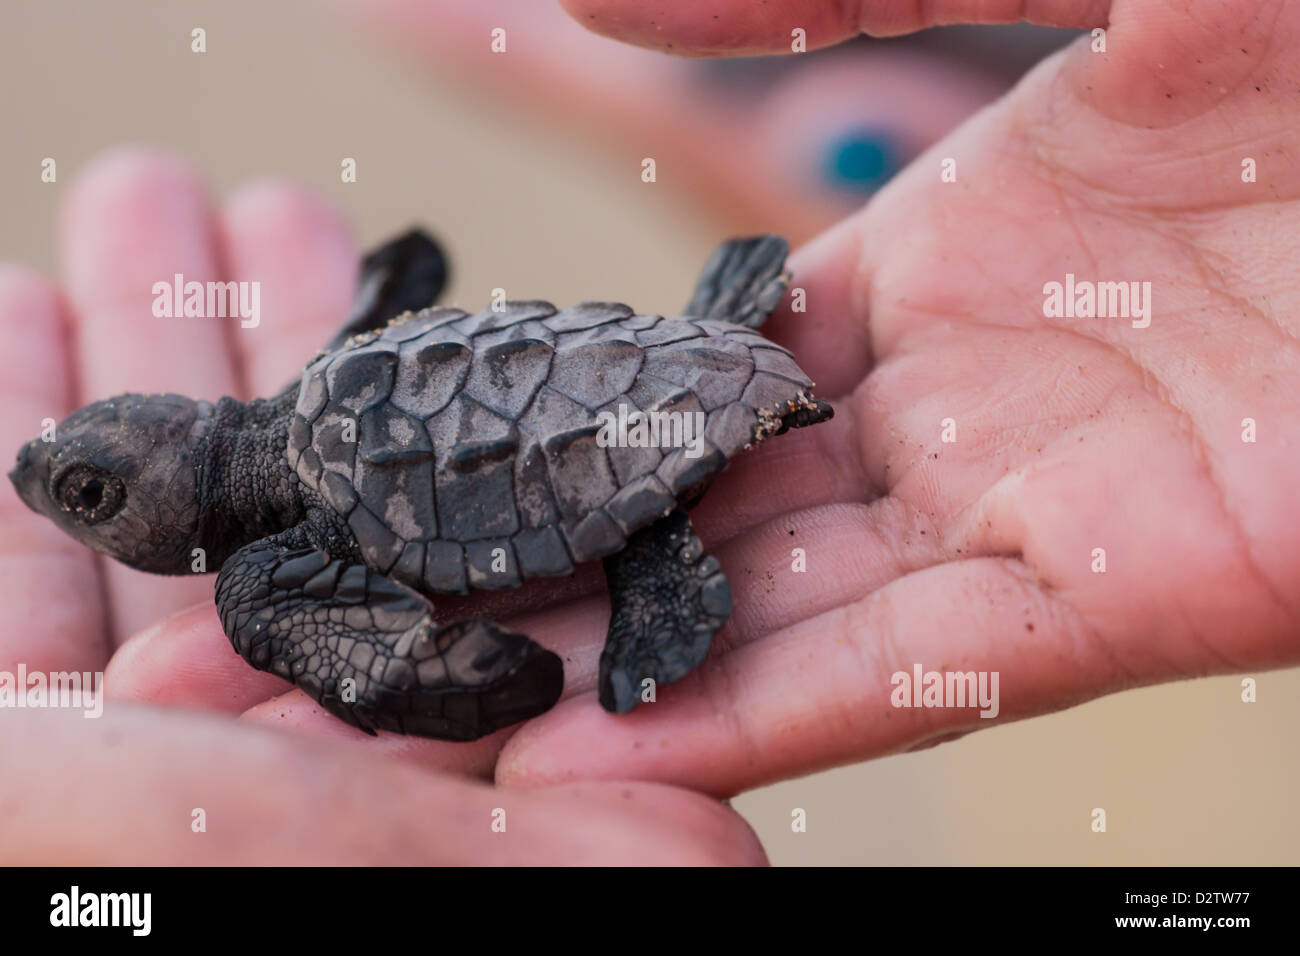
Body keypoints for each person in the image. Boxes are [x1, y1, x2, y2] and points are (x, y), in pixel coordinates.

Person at [2, 0, 1296, 863]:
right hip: (665, 342)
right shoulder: (330, 377)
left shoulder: (271, 587)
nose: (67, 499)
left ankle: (655, 566)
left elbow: (433, 675)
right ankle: (694, 421)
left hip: (636, 462)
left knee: (618, 604)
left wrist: (437, 677)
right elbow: (407, 280)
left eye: (92, 495)